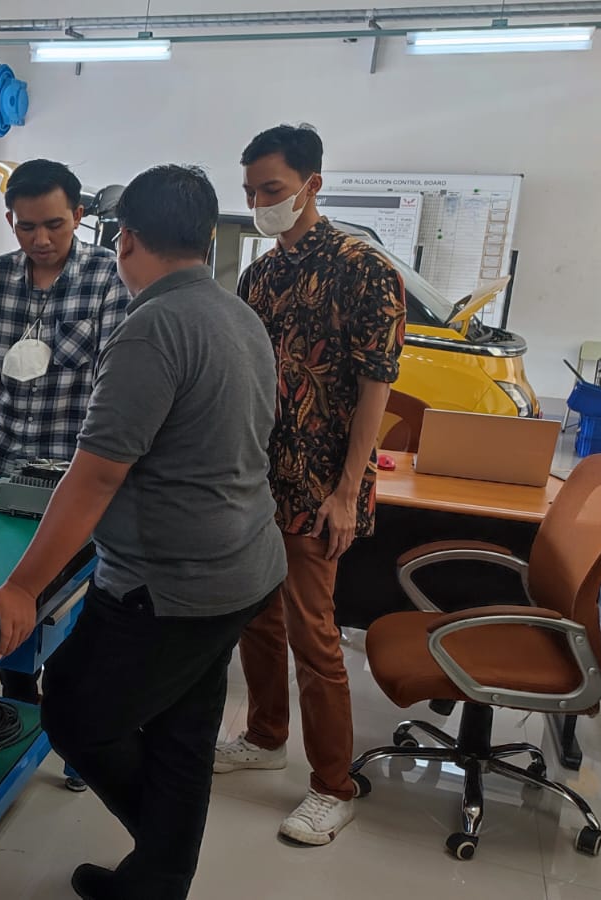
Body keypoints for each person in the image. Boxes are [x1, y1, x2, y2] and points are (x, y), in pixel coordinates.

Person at [0, 164, 285, 900]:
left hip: (170, 582)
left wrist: (23, 587)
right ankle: (159, 879)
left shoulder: (151, 327)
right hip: (243, 566)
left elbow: (96, 476)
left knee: (75, 710)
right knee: (181, 729)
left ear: (126, 239)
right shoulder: (238, 314)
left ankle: (164, 853)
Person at [214, 124, 407, 846]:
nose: (259, 203)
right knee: (256, 617)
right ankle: (265, 736)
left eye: (271, 189)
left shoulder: (366, 271)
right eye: (250, 192)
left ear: (311, 185)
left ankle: (333, 786)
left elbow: (375, 388)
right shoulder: (259, 276)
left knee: (314, 634)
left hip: (322, 487)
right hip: (255, 480)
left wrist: (347, 491)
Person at [0, 158, 128, 771]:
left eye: (54, 224)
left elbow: (113, 384)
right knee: (10, 595)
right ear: (11, 222)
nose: (42, 239)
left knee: (76, 618)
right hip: (6, 472)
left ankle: (76, 739)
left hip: (74, 483)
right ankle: (20, 712)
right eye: (27, 227)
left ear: (78, 215)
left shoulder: (107, 277)